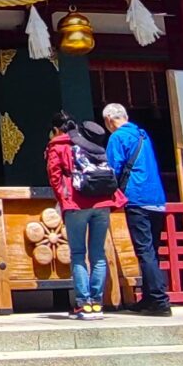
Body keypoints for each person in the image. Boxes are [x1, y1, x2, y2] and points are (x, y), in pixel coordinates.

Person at [45, 111, 119, 319]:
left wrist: (63, 199)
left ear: (55, 129)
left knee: (78, 254)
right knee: (98, 254)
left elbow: (54, 176)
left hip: (76, 203)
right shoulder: (89, 141)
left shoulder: (57, 146)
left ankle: (83, 303)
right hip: (102, 202)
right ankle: (97, 303)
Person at [102, 103, 170, 316]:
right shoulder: (143, 135)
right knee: (152, 251)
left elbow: (113, 168)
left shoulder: (117, 137)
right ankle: (149, 298)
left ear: (109, 120)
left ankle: (159, 300)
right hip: (156, 198)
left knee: (144, 251)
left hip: (136, 197)